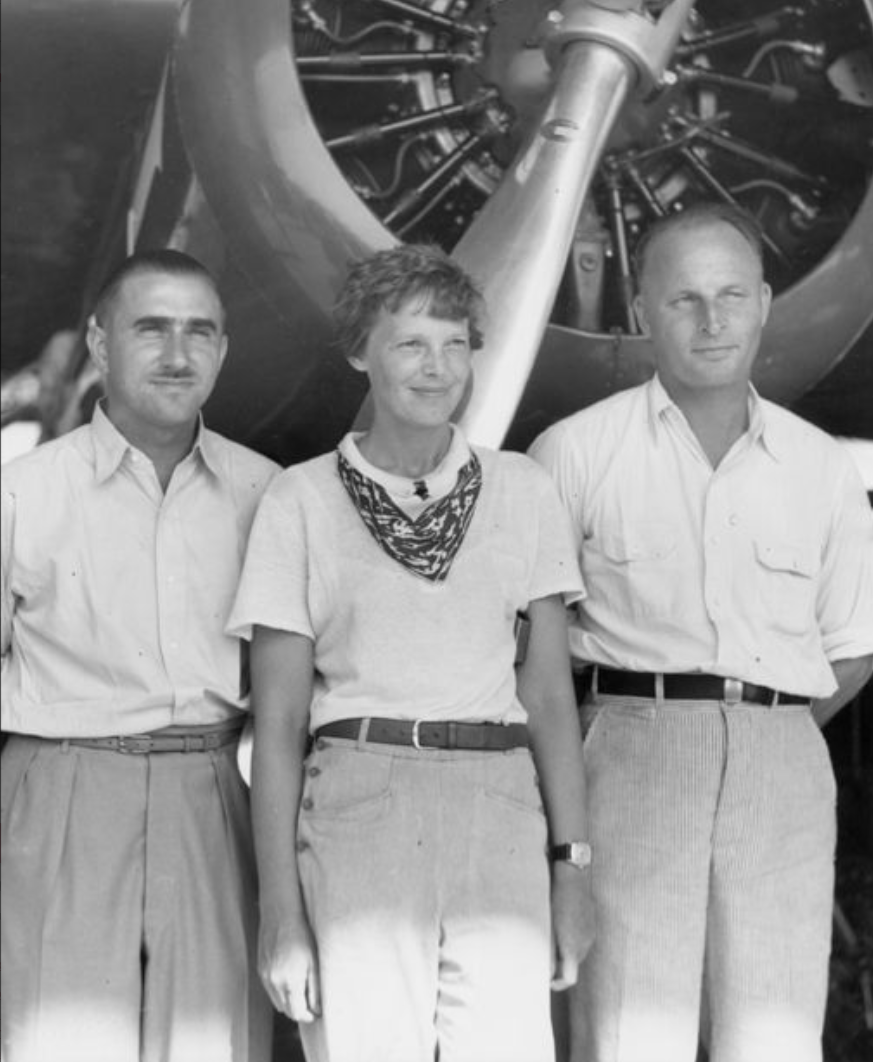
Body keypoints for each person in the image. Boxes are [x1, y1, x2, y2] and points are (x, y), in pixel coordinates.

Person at [227, 242, 595, 1062]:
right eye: (409, 344)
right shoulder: (300, 499)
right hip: (360, 802)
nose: (436, 368)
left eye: (455, 343)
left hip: (499, 806)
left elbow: (549, 701)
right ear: (361, 352)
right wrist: (281, 911)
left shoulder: (523, 492)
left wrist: (571, 868)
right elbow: (279, 722)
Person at [529, 202, 873, 1062]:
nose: (712, 320)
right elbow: (532, 656)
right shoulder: (570, 454)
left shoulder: (824, 466)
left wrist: (760, 729)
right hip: (629, 751)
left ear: (762, 302)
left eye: (730, 295)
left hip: (780, 759)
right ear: (642, 314)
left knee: (772, 1037)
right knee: (626, 1032)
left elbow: (855, 641)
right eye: (684, 300)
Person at [1, 249, 278, 1062]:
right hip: (61, 788)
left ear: (223, 351)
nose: (177, 353)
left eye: (199, 332)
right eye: (150, 328)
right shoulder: (21, 493)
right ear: (97, 343)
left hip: (213, 792)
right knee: (57, 1039)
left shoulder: (270, 496)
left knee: (213, 1042)